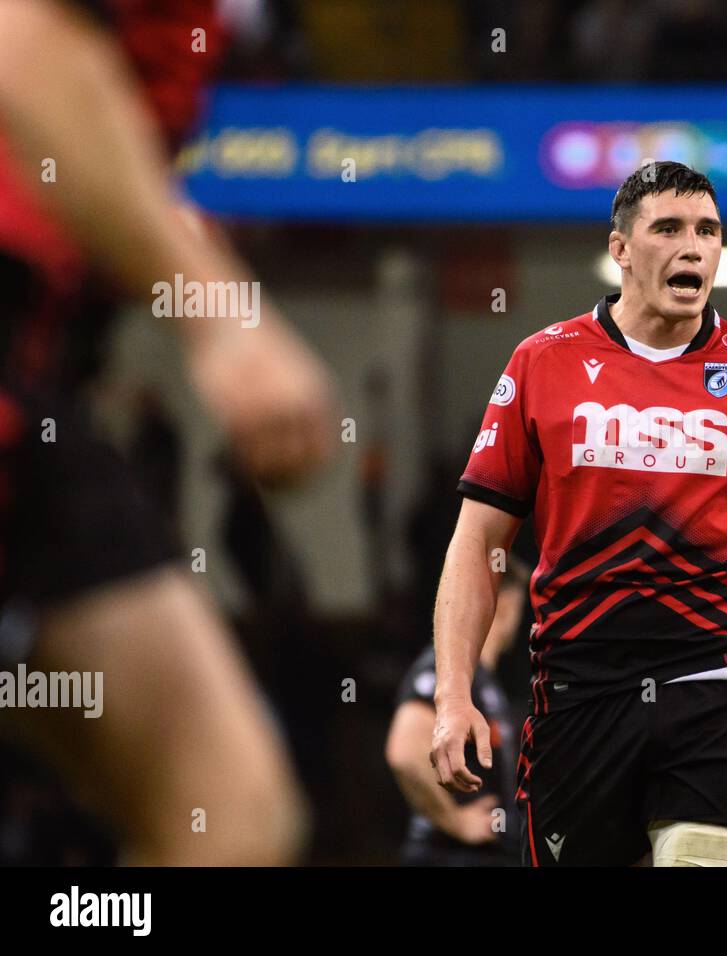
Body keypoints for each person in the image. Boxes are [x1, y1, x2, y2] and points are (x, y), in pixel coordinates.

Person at [429, 161, 727, 867]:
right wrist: (453, 694)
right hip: (577, 692)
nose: (692, 246)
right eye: (668, 228)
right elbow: (478, 541)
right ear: (621, 249)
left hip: (715, 690)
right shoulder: (542, 362)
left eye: (708, 230)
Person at [0, 0, 335, 864]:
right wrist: (220, 317)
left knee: (230, 808)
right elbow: (24, 43)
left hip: (35, 386)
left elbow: (89, 136)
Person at [386, 563, 526, 866]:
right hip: (451, 855)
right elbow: (404, 751)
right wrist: (457, 822)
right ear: (507, 603)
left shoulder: (482, 678)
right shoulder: (447, 669)